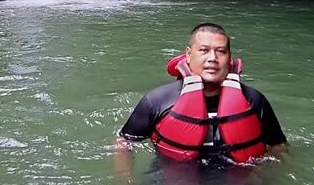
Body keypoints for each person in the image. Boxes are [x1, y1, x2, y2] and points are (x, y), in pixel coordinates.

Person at [116, 22, 287, 165]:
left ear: (230, 58)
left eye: (221, 51)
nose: (213, 58)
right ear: (188, 55)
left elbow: (279, 147)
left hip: (238, 182)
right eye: (204, 50)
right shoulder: (158, 100)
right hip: (173, 180)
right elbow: (124, 143)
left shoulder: (254, 100)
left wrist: (261, 177)